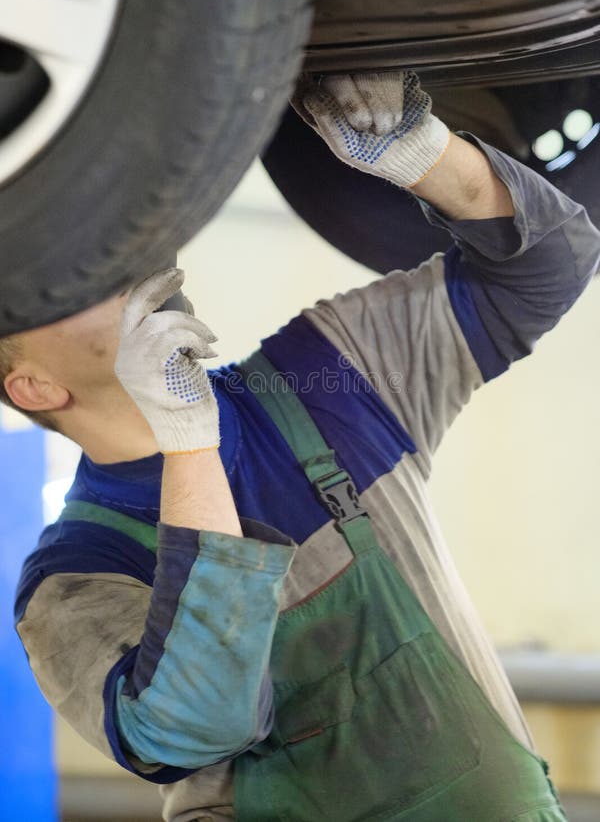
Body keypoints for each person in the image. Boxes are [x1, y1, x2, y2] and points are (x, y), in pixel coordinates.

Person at [8, 71, 600, 821]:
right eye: (63, 283)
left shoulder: (325, 380)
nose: (104, 261)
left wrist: (420, 153)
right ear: (35, 388)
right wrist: (188, 442)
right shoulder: (72, 578)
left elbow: (551, 262)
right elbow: (198, 728)